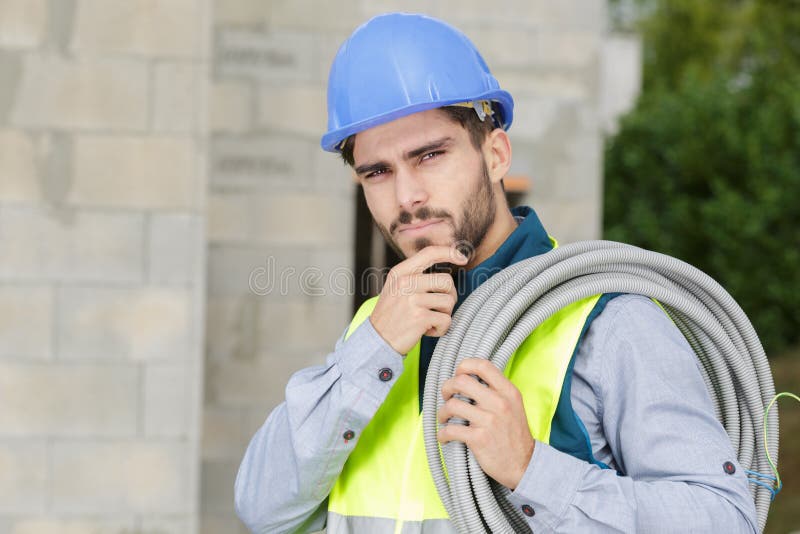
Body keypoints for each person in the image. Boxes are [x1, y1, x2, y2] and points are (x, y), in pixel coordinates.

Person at [234, 12, 758, 533]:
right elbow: (263, 509)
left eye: (430, 155)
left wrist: (531, 469)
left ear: (496, 154)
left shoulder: (606, 321)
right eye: (378, 172)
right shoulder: (380, 329)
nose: (407, 195)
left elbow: (724, 521)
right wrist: (372, 348)